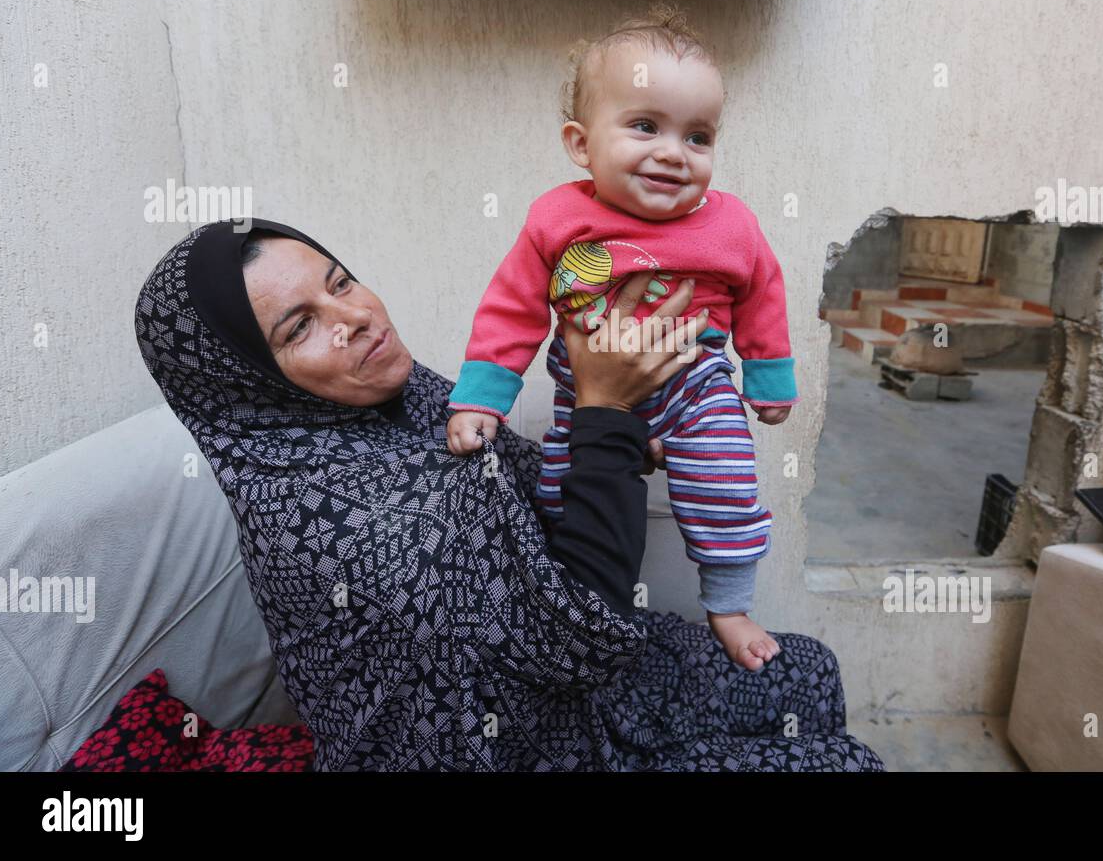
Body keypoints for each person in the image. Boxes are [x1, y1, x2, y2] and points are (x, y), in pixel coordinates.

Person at [133, 218, 884, 772]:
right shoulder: (335, 523)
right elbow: (576, 638)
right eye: (302, 327)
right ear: (250, 387)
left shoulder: (408, 403)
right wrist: (604, 410)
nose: (355, 317)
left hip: (558, 666)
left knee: (806, 670)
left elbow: (526, 489)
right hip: (521, 741)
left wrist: (645, 429)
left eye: (339, 281)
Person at [445, 3, 796, 670]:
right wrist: (479, 397)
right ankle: (570, 608)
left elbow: (763, 293)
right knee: (558, 489)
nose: (673, 152)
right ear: (581, 143)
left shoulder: (732, 225)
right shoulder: (557, 220)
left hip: (695, 386)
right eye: (644, 126)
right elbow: (512, 307)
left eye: (699, 137)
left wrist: (770, 378)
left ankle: (728, 603)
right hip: (591, 391)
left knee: (726, 481)